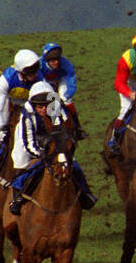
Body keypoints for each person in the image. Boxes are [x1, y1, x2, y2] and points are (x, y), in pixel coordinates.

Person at [7, 82, 97, 215]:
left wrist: (59, 153)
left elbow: (63, 134)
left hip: (52, 144)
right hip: (30, 145)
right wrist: (43, 155)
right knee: (23, 166)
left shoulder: (57, 110)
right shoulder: (26, 116)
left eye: (46, 106)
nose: (43, 109)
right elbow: (28, 143)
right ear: (33, 105)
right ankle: (17, 198)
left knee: (73, 164)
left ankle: (85, 193)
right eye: (39, 106)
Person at [0, 49, 43, 188]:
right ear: (21, 71)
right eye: (31, 71)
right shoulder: (7, 78)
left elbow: (48, 99)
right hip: (8, 101)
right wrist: (2, 124)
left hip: (29, 102)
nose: (35, 73)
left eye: (36, 69)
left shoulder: (39, 78)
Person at [39, 42, 84, 139]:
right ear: (47, 60)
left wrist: (68, 94)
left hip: (60, 79)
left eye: (57, 60)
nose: (56, 63)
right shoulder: (39, 65)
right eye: (53, 61)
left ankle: (77, 127)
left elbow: (71, 81)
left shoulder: (66, 64)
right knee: (47, 99)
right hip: (43, 80)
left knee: (66, 99)